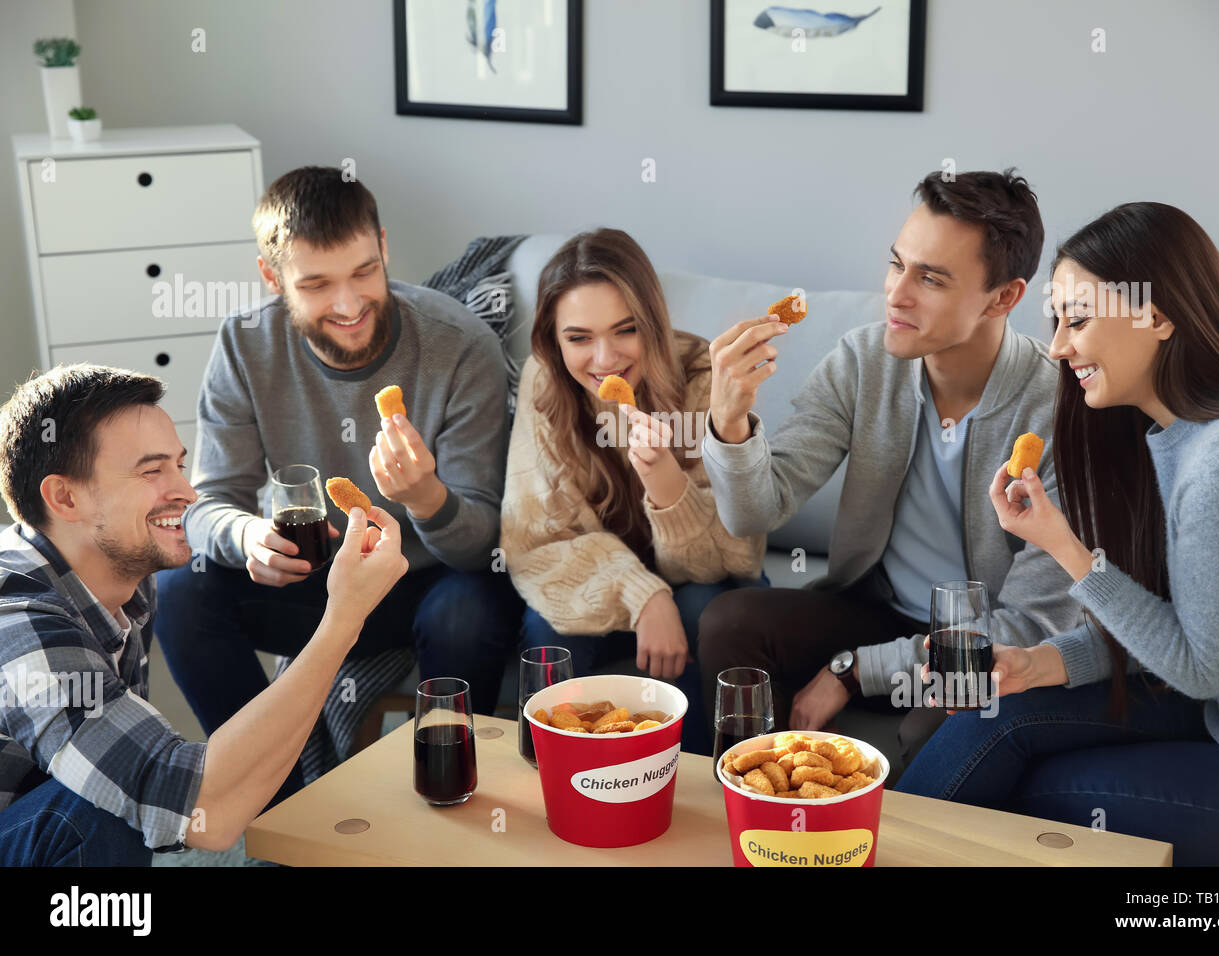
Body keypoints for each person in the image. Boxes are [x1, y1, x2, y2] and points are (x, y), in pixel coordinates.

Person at [895, 202, 1219, 866]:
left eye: (1076, 321)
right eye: (1056, 323)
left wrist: (1064, 546)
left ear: (1159, 316)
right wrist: (1039, 663)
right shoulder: (1175, 439)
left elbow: (1199, 668)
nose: (1057, 347)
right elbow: (1172, 625)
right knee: (993, 715)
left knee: (1027, 789)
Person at [154, 167, 522, 805]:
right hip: (311, 580)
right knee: (179, 590)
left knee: (471, 604)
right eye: (317, 285)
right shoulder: (245, 346)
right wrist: (250, 539)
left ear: (383, 247)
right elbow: (206, 506)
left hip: (424, 581)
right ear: (273, 278)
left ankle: (441, 806)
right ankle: (281, 808)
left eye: (363, 273)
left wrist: (426, 496)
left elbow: (483, 545)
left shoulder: (459, 344)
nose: (349, 305)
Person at [697, 169, 1081, 745]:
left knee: (938, 721)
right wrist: (728, 424)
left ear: (1003, 297)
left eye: (930, 278)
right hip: (877, 608)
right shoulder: (861, 363)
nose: (896, 294)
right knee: (729, 623)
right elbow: (754, 512)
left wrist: (852, 671)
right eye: (897, 264)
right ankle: (757, 808)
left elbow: (1030, 622)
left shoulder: (1058, 411)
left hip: (987, 634)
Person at [0, 365, 407, 864]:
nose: (188, 493)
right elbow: (193, 809)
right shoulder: (17, 617)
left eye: (179, 464)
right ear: (65, 496)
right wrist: (344, 616)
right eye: (153, 471)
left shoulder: (123, 573)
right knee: (94, 807)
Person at [500, 228, 767, 755]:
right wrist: (643, 595)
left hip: (703, 579)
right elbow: (536, 538)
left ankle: (694, 788)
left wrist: (665, 480)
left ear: (652, 321)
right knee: (549, 629)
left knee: (702, 607)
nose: (605, 359)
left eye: (625, 331)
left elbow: (732, 553)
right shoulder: (544, 381)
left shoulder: (703, 379)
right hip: (603, 583)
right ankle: (564, 782)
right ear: (553, 340)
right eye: (578, 338)